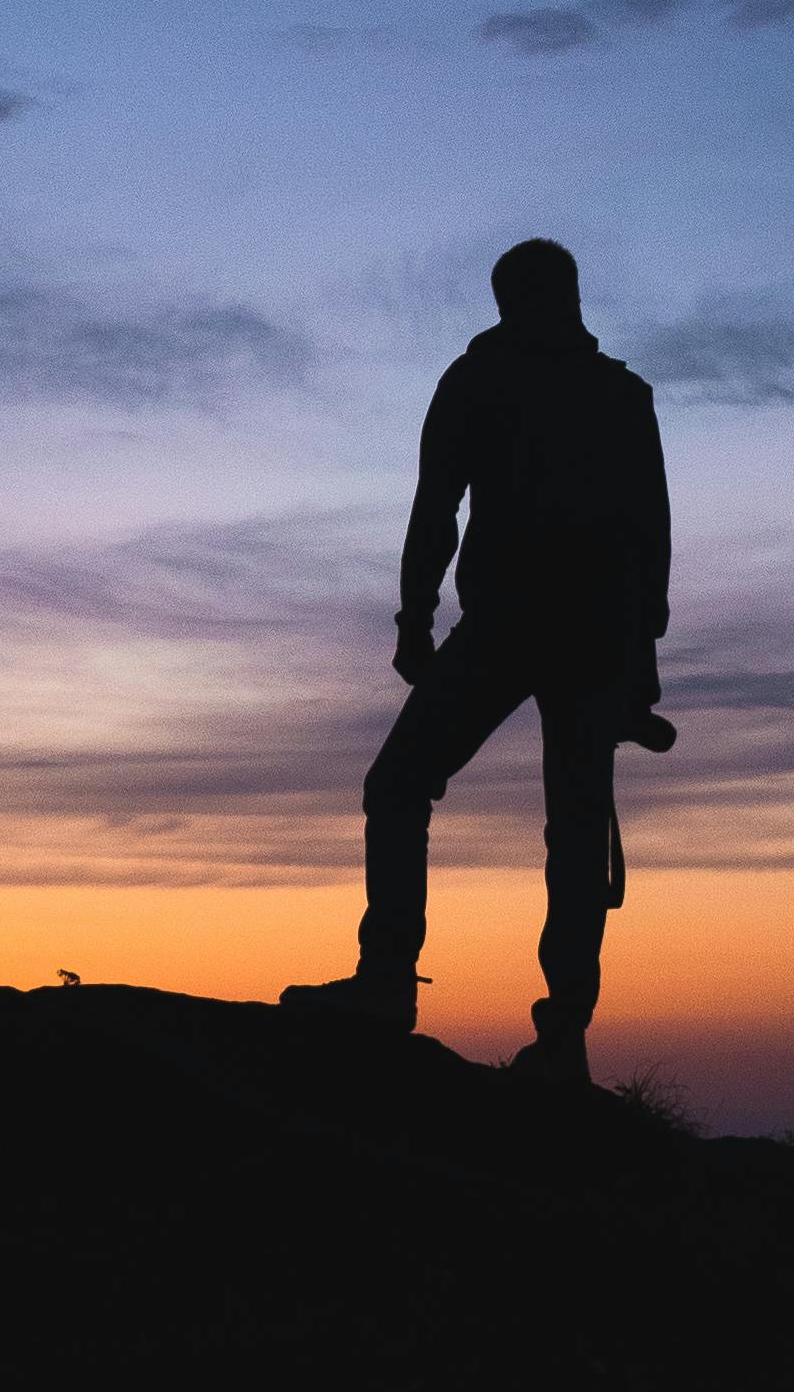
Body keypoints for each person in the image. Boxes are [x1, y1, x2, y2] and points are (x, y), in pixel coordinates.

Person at [281, 237, 673, 1083]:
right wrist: (641, 656)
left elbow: (439, 507)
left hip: (521, 626)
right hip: (580, 634)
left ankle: (397, 986)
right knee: (569, 831)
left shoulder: (490, 381)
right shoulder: (610, 393)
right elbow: (648, 535)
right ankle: (557, 1036)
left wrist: (414, 618)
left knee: (407, 787)